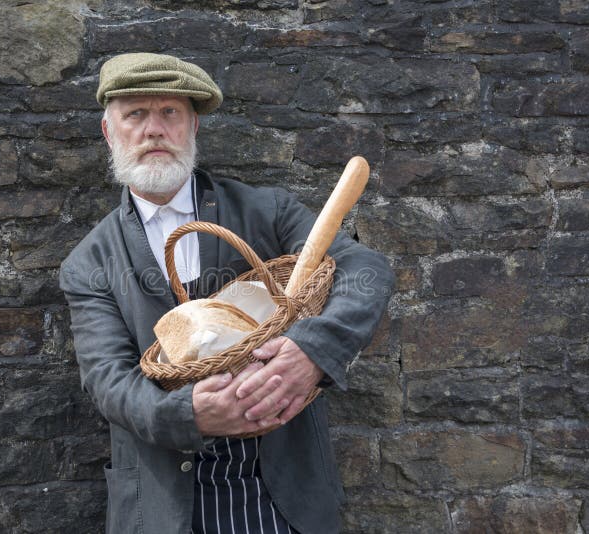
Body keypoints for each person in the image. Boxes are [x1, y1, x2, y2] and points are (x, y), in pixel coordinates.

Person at [59, 52, 394, 534]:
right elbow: (109, 382)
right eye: (136, 114)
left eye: (170, 112)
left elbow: (364, 269)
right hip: (164, 508)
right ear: (110, 132)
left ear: (193, 126)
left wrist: (313, 350)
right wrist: (190, 413)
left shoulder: (266, 213)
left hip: (278, 495)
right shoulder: (89, 263)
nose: (154, 129)